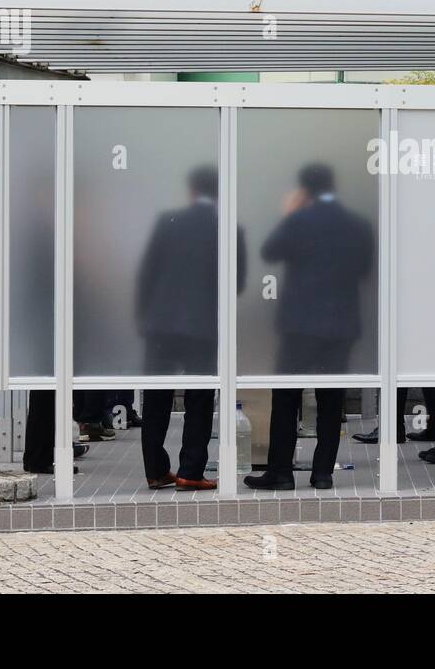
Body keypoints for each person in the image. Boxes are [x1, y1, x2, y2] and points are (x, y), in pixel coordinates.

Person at [244, 164, 374, 490]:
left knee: (286, 397)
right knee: (331, 402)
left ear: (303, 190)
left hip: (300, 324)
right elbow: (364, 267)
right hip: (341, 323)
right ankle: (323, 473)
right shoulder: (357, 223)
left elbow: (268, 251)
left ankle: (281, 473)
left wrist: (289, 213)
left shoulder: (298, 219)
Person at [136, 165, 246, 490]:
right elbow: (236, 283)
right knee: (199, 398)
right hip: (203, 326)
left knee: (156, 398)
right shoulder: (229, 227)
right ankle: (190, 471)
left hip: (161, 324)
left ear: (191, 191)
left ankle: (156, 470)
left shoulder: (166, 223)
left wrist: (145, 317)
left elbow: (147, 273)